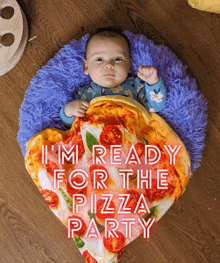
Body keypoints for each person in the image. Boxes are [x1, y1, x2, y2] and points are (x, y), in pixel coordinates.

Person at [60, 28, 167, 126]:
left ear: (129, 65)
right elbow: (71, 126)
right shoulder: (83, 94)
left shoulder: (136, 86)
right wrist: (68, 111)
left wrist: (152, 82)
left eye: (117, 59)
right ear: (86, 67)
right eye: (100, 59)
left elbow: (155, 106)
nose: (109, 65)